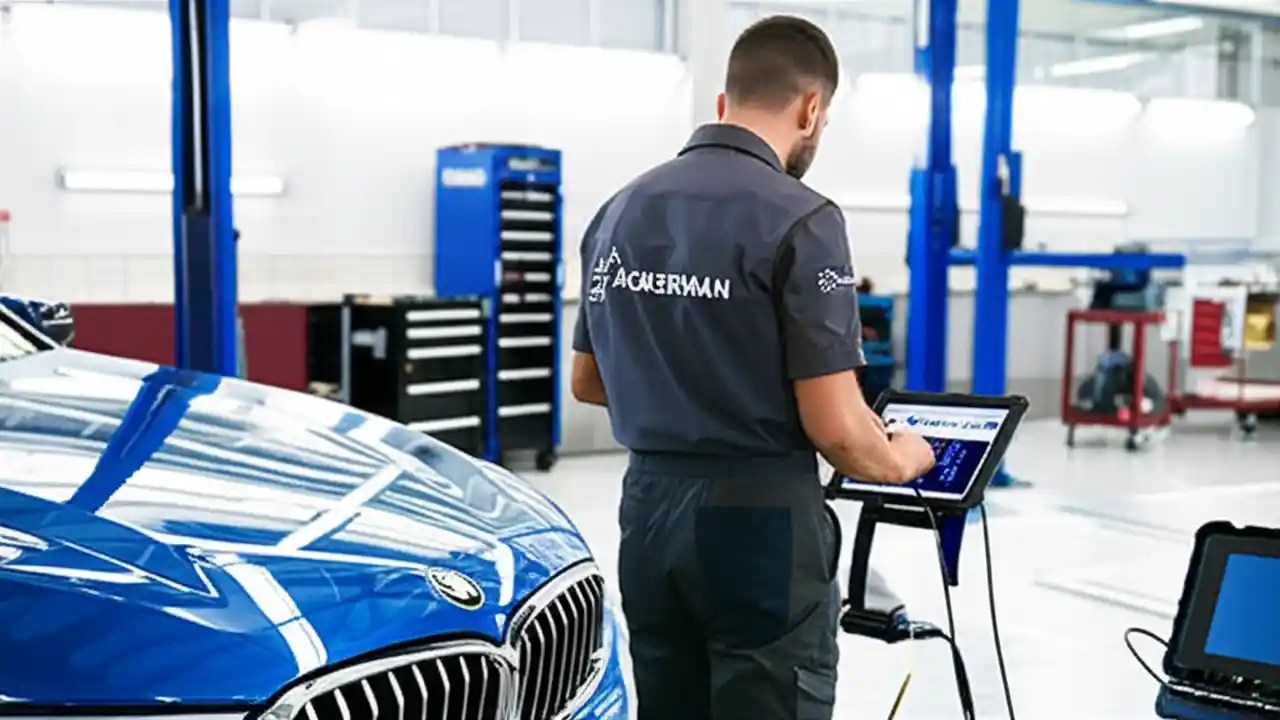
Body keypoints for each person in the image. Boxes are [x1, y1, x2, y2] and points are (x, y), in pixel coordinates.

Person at [569, 14, 938, 720]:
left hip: (648, 517)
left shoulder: (620, 209)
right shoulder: (804, 218)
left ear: (723, 103)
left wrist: (681, 397)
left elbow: (588, 381)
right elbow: (834, 427)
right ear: (812, 109)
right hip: (759, 527)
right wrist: (901, 458)